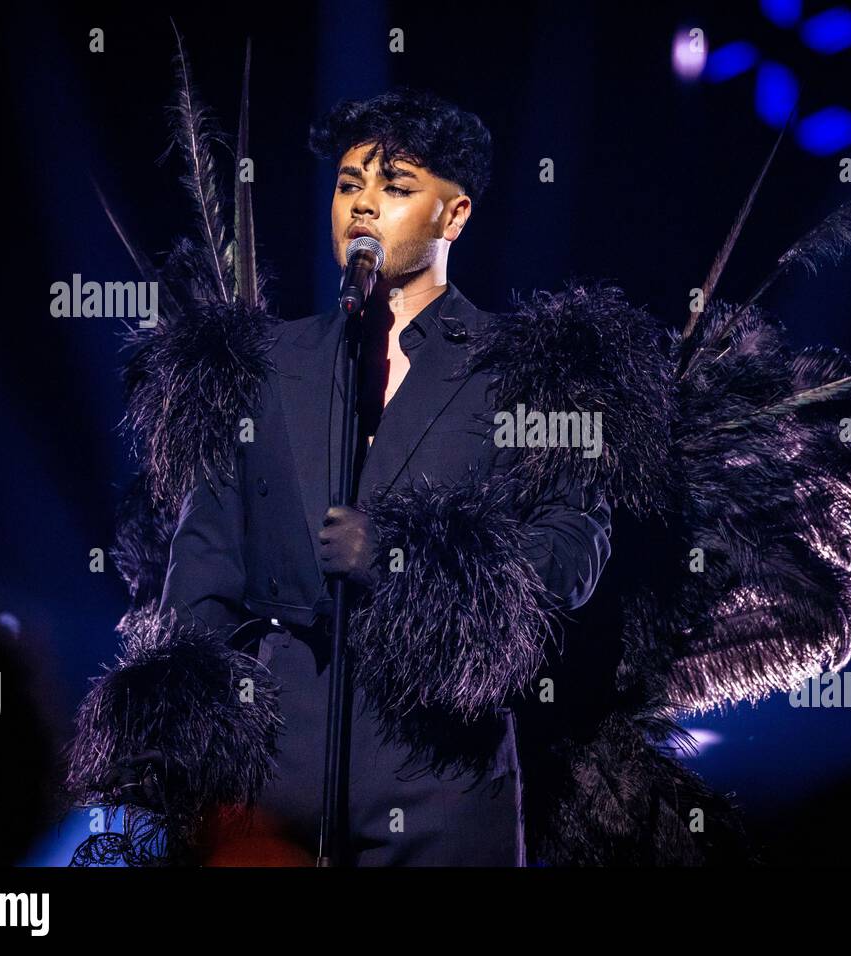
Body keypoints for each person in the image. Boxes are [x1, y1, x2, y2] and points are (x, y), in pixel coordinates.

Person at [156, 89, 613, 866]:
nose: (364, 207)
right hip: (270, 773)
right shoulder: (265, 364)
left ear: (454, 215)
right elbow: (205, 555)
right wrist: (187, 733)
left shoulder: (523, 371)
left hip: (438, 772)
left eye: (396, 188)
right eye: (348, 186)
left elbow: (573, 546)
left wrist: (408, 559)